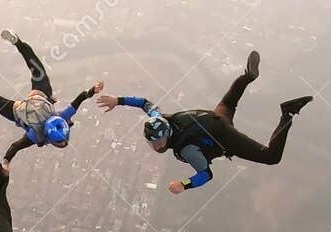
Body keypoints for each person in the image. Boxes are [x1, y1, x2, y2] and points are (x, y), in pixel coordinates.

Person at [95, 51, 312, 194]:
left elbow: (206, 175)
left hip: (223, 136)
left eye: (158, 143)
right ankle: (247, 76)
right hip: (213, 118)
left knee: (271, 157)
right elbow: (144, 103)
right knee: (229, 102)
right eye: (153, 144)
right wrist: (118, 100)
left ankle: (287, 113)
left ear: (166, 136)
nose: (156, 147)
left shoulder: (187, 150)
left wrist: (184, 185)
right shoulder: (160, 118)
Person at [0, 31, 103, 163]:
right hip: (17, 111)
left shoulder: (62, 116)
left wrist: (93, 90)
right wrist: (6, 163)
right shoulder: (35, 136)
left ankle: (17, 42)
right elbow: (15, 146)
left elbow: (80, 98)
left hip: (41, 95)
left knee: (35, 66)